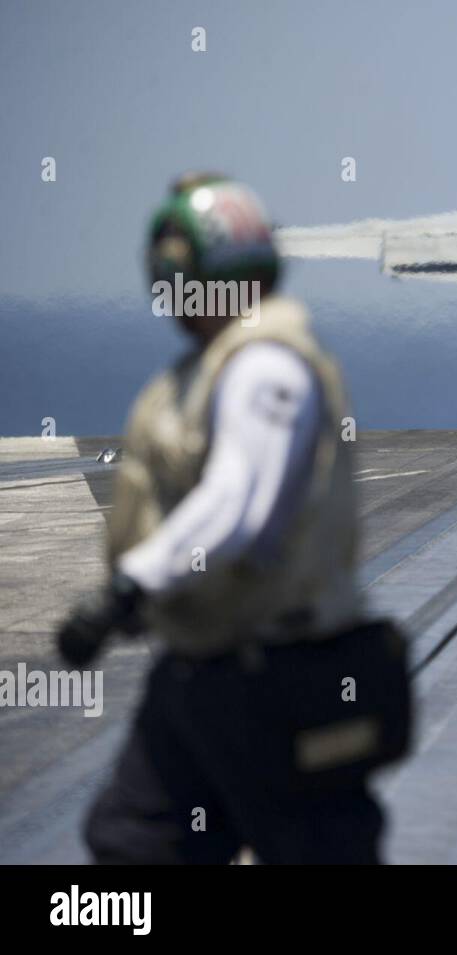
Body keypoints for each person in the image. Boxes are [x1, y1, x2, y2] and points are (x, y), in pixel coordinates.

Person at [57, 174, 410, 864]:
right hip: (200, 670)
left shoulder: (264, 367)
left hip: (276, 678)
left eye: (173, 271)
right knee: (131, 844)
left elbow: (236, 506)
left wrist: (129, 587)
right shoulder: (217, 365)